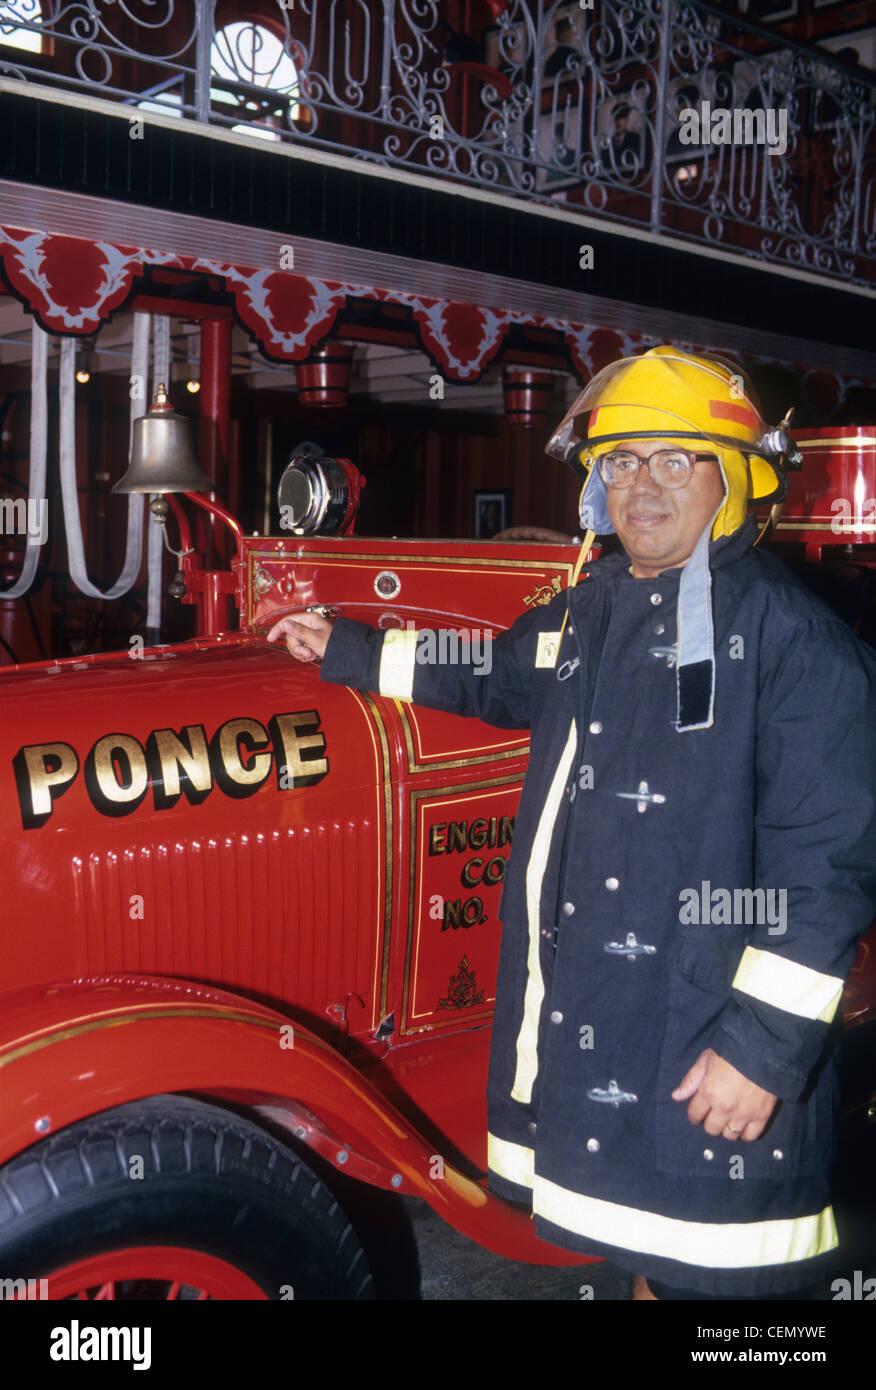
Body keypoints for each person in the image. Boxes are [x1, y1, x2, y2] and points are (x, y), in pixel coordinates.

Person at [267, 347, 876, 1300]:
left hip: (706, 1027)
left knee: (719, 1282)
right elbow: (495, 667)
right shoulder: (591, 611)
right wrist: (351, 646)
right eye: (622, 461)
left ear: (736, 479)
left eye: (676, 461)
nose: (642, 485)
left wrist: (760, 1051)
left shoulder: (795, 644)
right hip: (606, 1014)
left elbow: (825, 871)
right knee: (653, 1259)